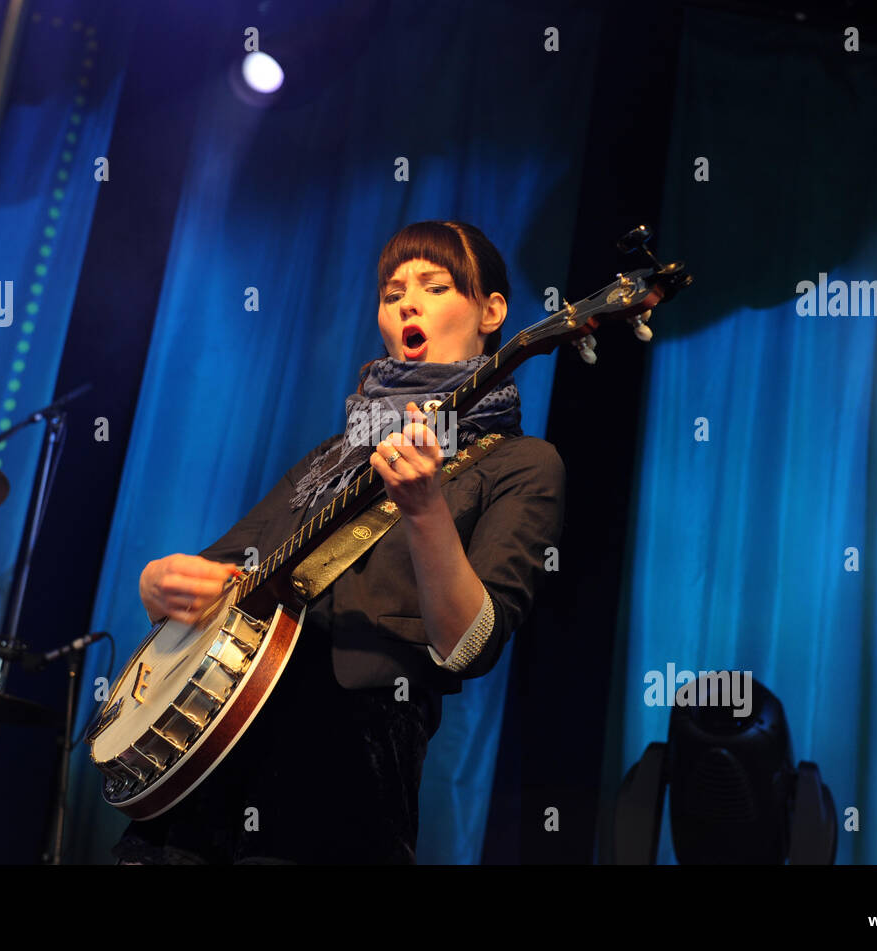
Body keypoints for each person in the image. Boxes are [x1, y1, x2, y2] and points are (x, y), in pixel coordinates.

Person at [113, 220, 566, 864]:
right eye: (391, 292)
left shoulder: (521, 463)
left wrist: (426, 509)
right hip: (220, 751)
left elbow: (468, 645)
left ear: (491, 311)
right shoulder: (336, 455)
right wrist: (158, 584)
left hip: (346, 770)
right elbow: (221, 570)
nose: (406, 302)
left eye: (434, 286)